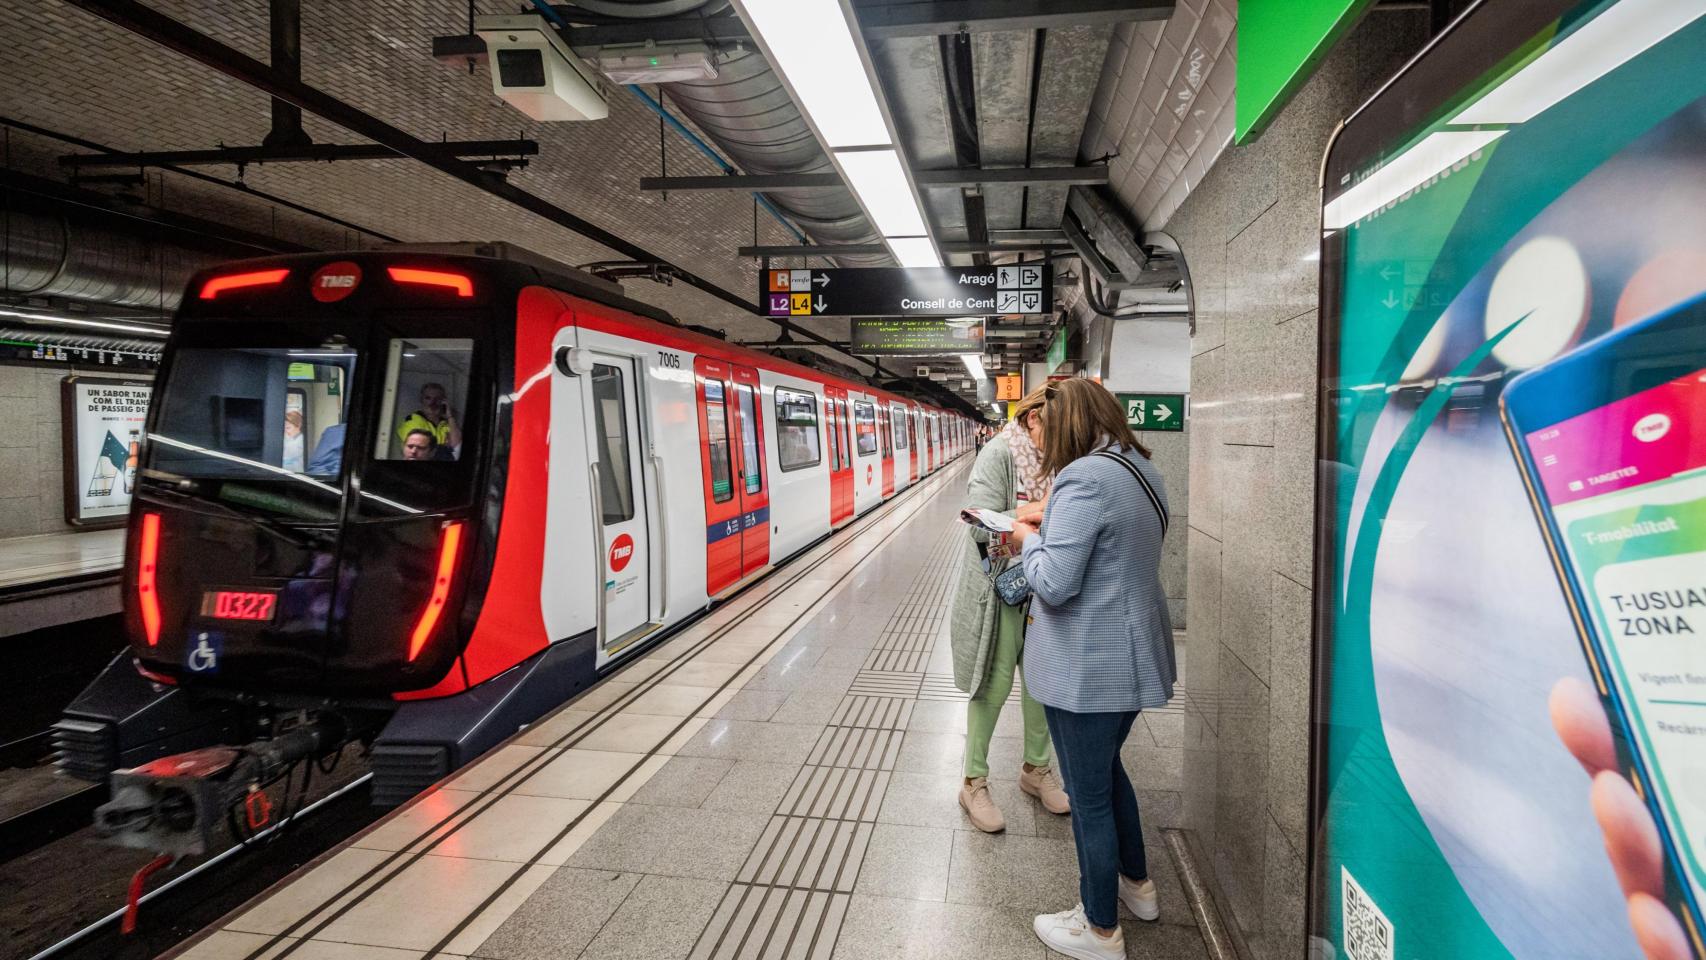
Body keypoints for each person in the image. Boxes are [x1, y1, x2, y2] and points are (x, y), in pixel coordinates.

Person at [1009, 378, 1175, 960]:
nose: (1042, 446)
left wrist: (1025, 538)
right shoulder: (1140, 468)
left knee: (1088, 796)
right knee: (1107, 773)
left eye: (1044, 432)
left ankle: (1099, 927)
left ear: (1070, 423)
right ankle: (1138, 886)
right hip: (1129, 657)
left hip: (1088, 666)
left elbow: (1055, 584)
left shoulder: (1084, 477)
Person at [947, 385, 1068, 833]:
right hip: (1000, 588)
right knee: (993, 684)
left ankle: (1036, 768)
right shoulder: (999, 454)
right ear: (1033, 418)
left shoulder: (1059, 458)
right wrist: (1037, 511)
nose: (1063, 441)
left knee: (1041, 684)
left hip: (1044, 586)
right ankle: (973, 781)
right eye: (1057, 430)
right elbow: (978, 523)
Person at [396, 382, 462, 459]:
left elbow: (457, 447)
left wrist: (450, 416)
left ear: (443, 402)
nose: (432, 403)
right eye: (428, 398)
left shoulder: (447, 423)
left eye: (437, 399)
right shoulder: (413, 420)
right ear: (421, 400)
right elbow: (420, 449)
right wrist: (446, 449)